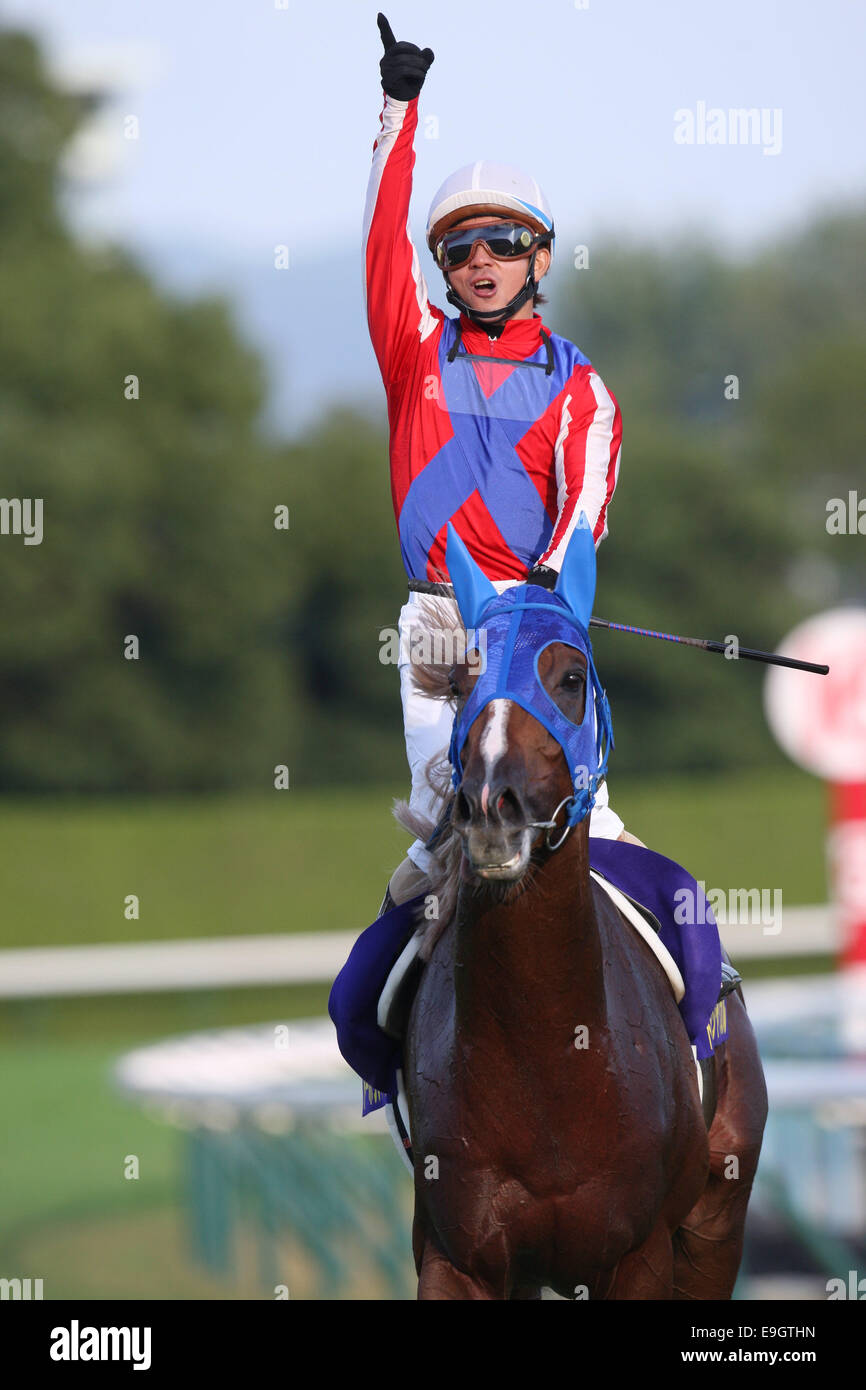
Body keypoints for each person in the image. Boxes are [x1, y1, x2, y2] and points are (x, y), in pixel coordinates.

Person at [365, 14, 641, 912]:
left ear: (541, 257)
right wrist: (396, 112)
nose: (482, 261)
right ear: (443, 268)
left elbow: (583, 509)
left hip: (534, 627)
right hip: (443, 631)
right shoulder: (414, 347)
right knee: (452, 838)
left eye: (505, 242)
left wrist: (544, 592)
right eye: (460, 248)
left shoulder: (579, 386)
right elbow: (379, 242)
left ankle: (706, 1016)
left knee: (600, 841)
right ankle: (383, 1041)